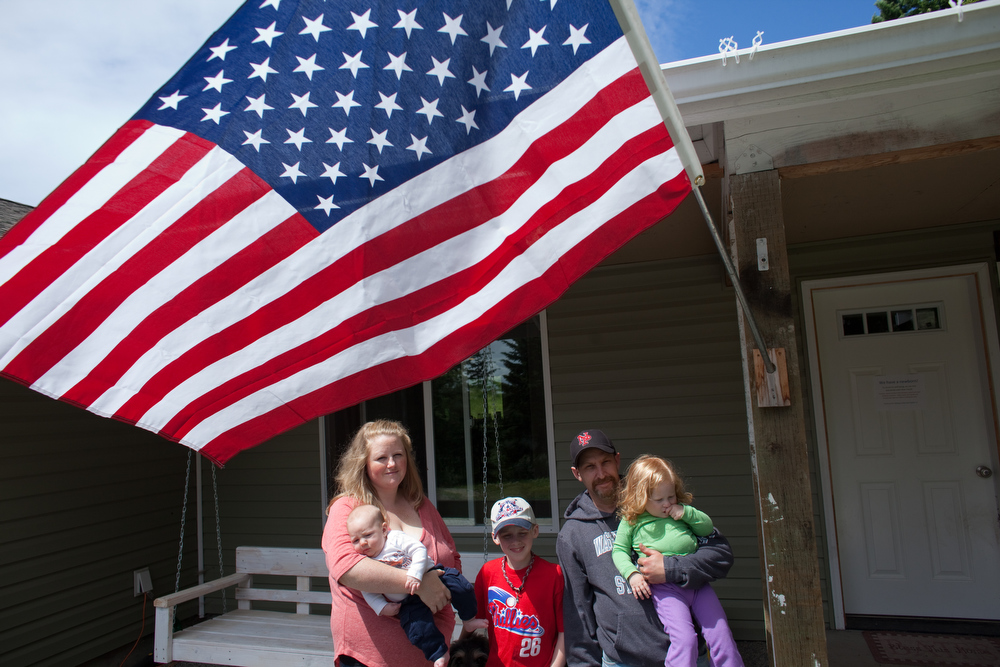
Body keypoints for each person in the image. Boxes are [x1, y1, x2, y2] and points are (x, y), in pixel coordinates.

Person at [556, 429, 735, 667]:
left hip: (689, 655)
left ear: (617, 460)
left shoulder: (660, 498)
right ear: (577, 474)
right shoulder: (572, 534)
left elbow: (721, 555)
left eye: (605, 462)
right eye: (590, 467)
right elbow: (578, 613)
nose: (601, 473)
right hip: (622, 661)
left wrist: (670, 569)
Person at [322, 420, 462, 667]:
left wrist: (447, 618)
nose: (392, 464)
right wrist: (419, 583)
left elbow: (451, 557)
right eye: (381, 458)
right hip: (368, 658)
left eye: (398, 455)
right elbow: (347, 568)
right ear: (363, 463)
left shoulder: (421, 504)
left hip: (431, 656)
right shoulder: (347, 508)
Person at [613, 455, 744, 667]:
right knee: (685, 640)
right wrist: (632, 574)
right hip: (666, 589)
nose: (667, 504)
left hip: (698, 584)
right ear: (641, 498)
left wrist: (686, 512)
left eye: (671, 496)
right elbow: (619, 550)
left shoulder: (681, 512)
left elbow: (706, 528)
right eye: (659, 500)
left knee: (721, 634)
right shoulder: (632, 521)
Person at [346, 504, 479, 667]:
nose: (363, 543)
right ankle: (438, 653)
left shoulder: (394, 538)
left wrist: (416, 574)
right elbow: (368, 589)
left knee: (461, 586)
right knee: (416, 628)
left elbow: (418, 550)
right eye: (356, 540)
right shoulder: (366, 561)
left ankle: (469, 618)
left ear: (384, 529)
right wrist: (382, 607)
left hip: (433, 575)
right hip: (408, 601)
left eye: (368, 535)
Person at [472, 497, 566, 667]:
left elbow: (564, 633)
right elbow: (472, 622)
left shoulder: (554, 574)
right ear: (495, 537)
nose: (515, 541)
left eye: (522, 533)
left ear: (535, 531)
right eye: (507, 535)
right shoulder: (487, 573)